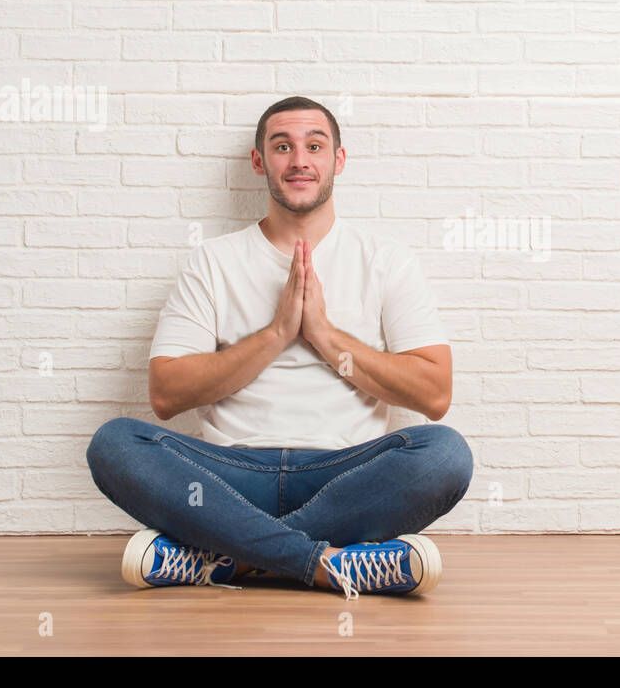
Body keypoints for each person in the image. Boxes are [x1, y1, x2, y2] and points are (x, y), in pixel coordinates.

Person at [86, 97, 472, 601]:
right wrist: (275, 334)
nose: (299, 161)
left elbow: (434, 394)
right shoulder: (214, 262)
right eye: (282, 146)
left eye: (315, 146)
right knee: (114, 444)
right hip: (229, 477)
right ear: (258, 161)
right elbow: (167, 394)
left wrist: (325, 336)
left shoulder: (387, 261)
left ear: (338, 159)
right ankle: (324, 563)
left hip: (345, 475)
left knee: (444, 455)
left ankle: (230, 557)